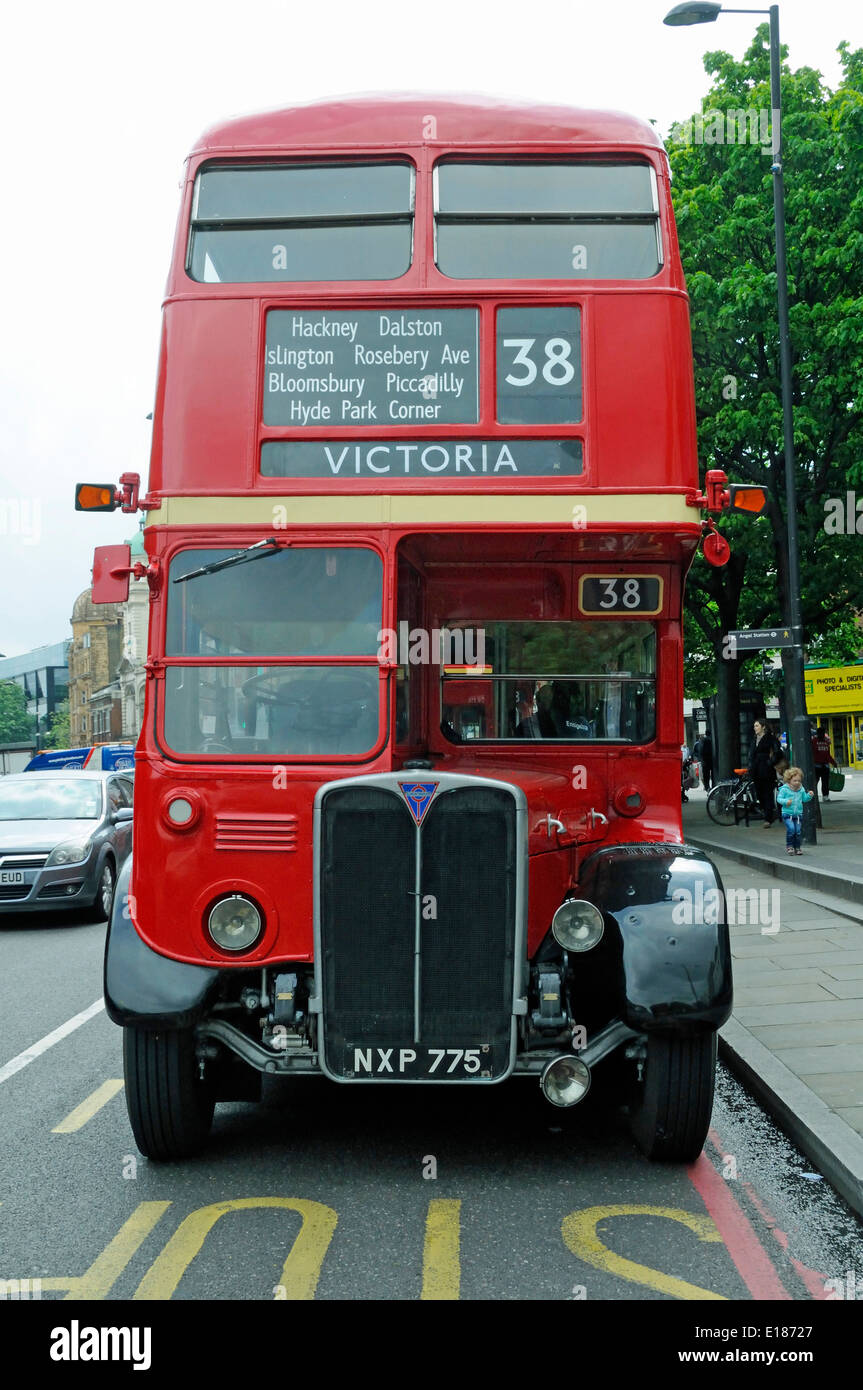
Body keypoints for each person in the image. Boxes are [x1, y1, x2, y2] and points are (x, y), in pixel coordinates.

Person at [747, 718, 781, 827]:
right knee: (759, 794)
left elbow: (777, 752)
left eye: (757, 726)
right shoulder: (754, 739)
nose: (754, 728)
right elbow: (751, 753)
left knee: (767, 794)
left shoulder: (770, 738)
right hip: (756, 770)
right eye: (754, 726)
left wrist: (769, 763)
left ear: (763, 727)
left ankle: (768, 818)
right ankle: (768, 812)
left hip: (766, 770)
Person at [776, 766, 814, 855]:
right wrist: (786, 802)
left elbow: (804, 799)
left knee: (798, 831)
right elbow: (779, 799)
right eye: (795, 781)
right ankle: (789, 846)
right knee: (792, 829)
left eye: (799, 781)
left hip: (798, 814)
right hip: (787, 814)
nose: (797, 783)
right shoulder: (785, 789)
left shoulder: (801, 789)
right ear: (789, 780)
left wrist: (809, 795)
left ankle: (797, 847)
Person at [811, 724, 838, 799]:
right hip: (817, 765)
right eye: (821, 733)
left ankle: (825, 796)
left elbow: (828, 754)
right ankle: (814, 795)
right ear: (818, 733)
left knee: (825, 782)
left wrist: (833, 762)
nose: (822, 735)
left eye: (823, 733)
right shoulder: (814, 741)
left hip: (825, 765)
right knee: (815, 782)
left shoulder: (826, 742)